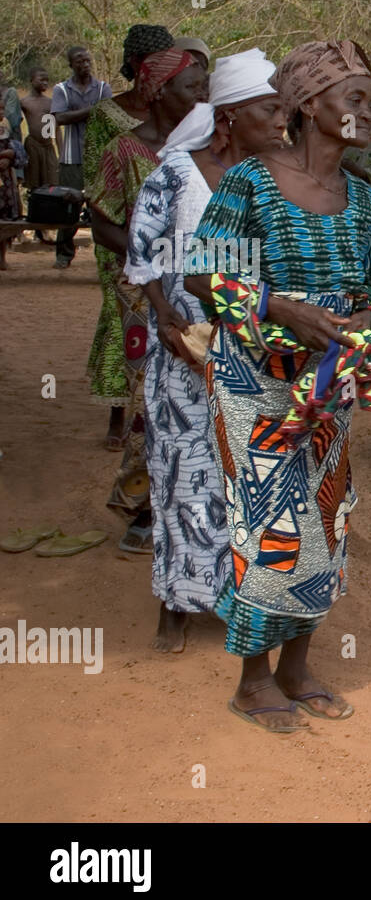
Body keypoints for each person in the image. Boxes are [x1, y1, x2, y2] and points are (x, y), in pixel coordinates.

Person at [184, 39, 371, 731]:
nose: (369, 113)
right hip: (255, 381)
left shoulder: (360, 197)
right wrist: (282, 308)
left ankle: (297, 669)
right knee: (269, 523)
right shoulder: (253, 181)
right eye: (355, 99)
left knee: (326, 519)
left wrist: (364, 318)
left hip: (328, 381)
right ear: (309, 105)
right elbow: (202, 275)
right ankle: (253, 681)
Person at [123, 48, 284, 653]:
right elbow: (142, 255)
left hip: (249, 354)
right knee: (182, 478)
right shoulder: (175, 174)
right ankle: (174, 605)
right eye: (268, 111)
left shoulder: (271, 180)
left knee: (244, 482)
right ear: (228, 116)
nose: (281, 123)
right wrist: (165, 318)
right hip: (182, 355)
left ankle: (234, 599)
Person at [87, 47, 201, 555]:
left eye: (204, 87)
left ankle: (188, 505)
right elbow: (102, 223)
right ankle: (143, 507)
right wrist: (153, 260)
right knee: (150, 398)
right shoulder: (125, 151)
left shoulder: (208, 148)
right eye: (191, 87)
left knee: (194, 395)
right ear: (159, 92)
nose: (201, 95)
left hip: (199, 286)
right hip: (142, 293)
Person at [81, 25, 173, 448]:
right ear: (136, 64)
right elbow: (96, 181)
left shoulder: (179, 115)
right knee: (120, 317)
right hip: (117, 231)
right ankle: (119, 413)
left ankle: (149, 412)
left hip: (167, 241)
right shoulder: (107, 115)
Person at [50, 46, 113, 269]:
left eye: (87, 60)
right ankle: (64, 254)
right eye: (79, 61)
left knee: (101, 209)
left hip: (99, 158)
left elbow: (108, 115)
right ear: (71, 65)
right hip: (71, 158)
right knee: (68, 207)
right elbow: (59, 118)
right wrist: (91, 110)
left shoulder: (103, 87)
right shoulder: (61, 89)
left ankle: (104, 257)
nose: (85, 64)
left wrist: (77, 114)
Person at [21, 69, 60, 223]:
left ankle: (48, 219)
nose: (45, 83)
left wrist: (61, 152)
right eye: (41, 79)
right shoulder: (24, 102)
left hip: (47, 147)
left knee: (51, 184)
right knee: (34, 186)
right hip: (33, 146)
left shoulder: (50, 103)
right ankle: (34, 221)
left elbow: (55, 128)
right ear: (32, 80)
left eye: (47, 80)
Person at [0, 117, 26, 269]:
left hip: (5, 181)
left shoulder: (5, 128)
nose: (1, 113)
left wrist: (10, 158)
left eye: (2, 109)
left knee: (5, 217)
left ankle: (2, 258)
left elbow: (19, 154)